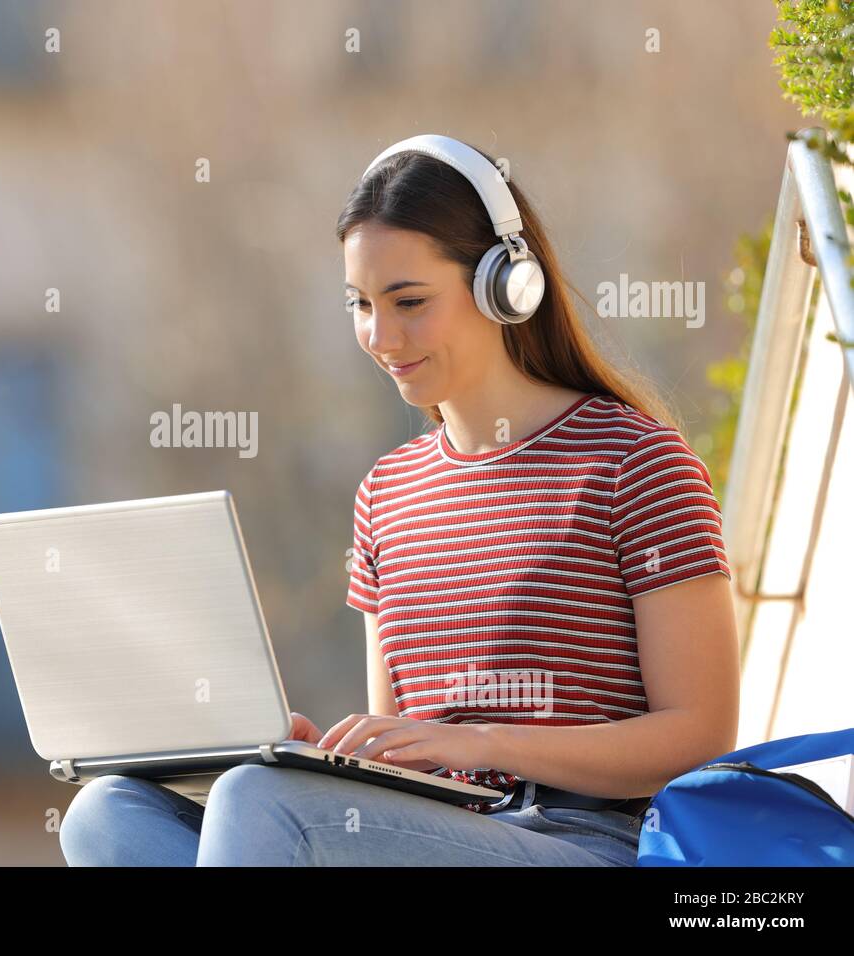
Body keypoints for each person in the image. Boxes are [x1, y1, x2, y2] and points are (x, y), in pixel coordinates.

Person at [58, 135, 740, 866]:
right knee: (108, 815)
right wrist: (328, 760)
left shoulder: (632, 460)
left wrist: (482, 742)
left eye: (409, 302)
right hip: (431, 833)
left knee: (256, 800)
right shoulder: (388, 492)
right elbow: (405, 757)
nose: (382, 337)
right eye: (360, 304)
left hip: (583, 840)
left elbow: (699, 735)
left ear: (505, 285)